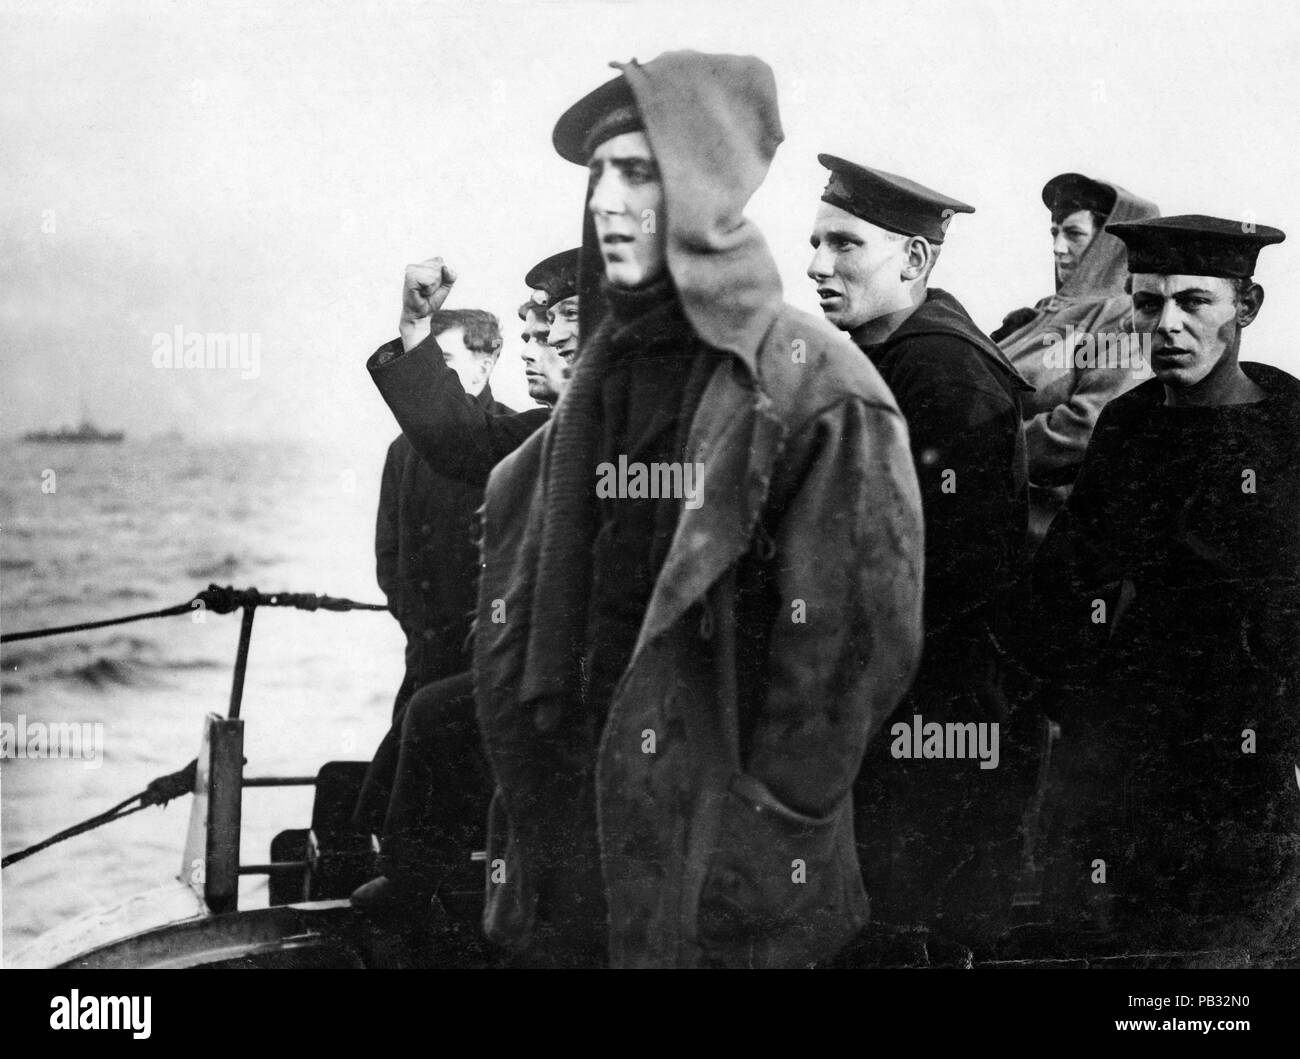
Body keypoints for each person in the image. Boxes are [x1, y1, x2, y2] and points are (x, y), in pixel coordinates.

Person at [472, 51, 924, 969]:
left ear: (706, 185)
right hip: (578, 834)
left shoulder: (816, 390)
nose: (606, 200)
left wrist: (763, 829)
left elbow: (855, 653)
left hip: (726, 873)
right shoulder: (594, 387)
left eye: (638, 171)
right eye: (599, 175)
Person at [1030, 215, 1300, 958]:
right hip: (1125, 753)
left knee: (1222, 962)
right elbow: (1068, 576)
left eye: (1194, 302)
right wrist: (1076, 703)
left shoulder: (1290, 429)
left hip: (1245, 764)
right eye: (1149, 305)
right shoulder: (1129, 423)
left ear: (1246, 307)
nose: (1167, 326)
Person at [807, 155, 1034, 954]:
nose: (816, 266)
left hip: (927, 720)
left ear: (912, 260)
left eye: (843, 246)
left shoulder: (942, 374)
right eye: (815, 244)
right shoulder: (884, 362)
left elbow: (958, 576)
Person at [351, 255, 580, 915]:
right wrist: (415, 325)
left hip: (581, 678)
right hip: (502, 654)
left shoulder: (604, 421)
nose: (551, 341)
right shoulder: (554, 428)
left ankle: (413, 899)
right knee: (421, 726)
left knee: (431, 721)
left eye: (568, 322)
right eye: (546, 325)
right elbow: (460, 444)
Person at [993, 173, 1159, 546]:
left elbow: (1090, 425)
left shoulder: (1125, 318)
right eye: (1054, 233)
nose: (1057, 247)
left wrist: (984, 449)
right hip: (997, 506)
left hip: (1047, 528)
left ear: (1109, 244)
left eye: (1073, 234)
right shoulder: (1037, 315)